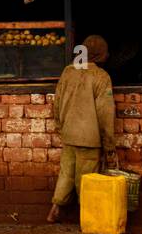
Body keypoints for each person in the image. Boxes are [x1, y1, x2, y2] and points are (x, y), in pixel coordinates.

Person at [48, 34, 116, 223]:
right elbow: (106, 114)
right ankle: (87, 218)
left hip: (69, 135)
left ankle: (55, 209)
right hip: (89, 139)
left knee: (66, 174)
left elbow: (57, 104)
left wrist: (61, 129)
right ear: (101, 55)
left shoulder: (68, 72)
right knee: (86, 180)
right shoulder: (101, 77)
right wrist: (109, 145)